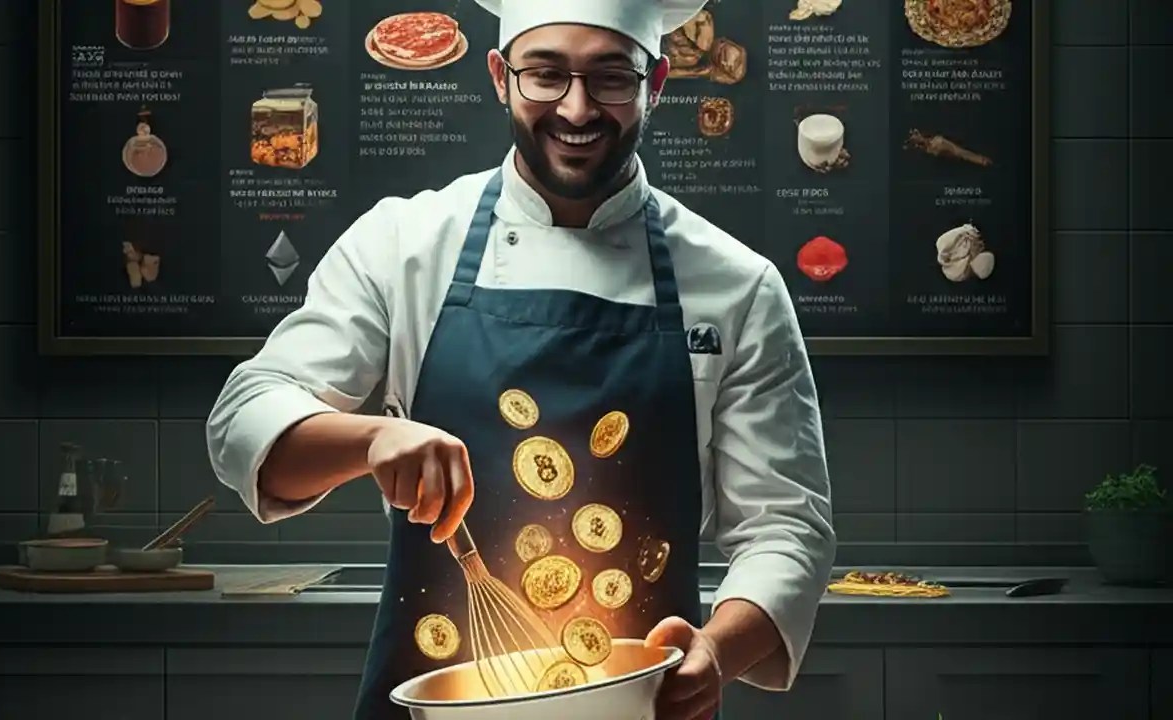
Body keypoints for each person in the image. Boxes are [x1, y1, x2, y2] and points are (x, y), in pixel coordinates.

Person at [206, 0, 837, 717]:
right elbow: (244, 420)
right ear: (500, 76)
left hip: (638, 705)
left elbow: (787, 526)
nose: (576, 108)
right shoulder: (404, 243)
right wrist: (374, 438)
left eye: (610, 78)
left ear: (656, 82)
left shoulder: (737, 285)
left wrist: (717, 652)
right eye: (545, 74)